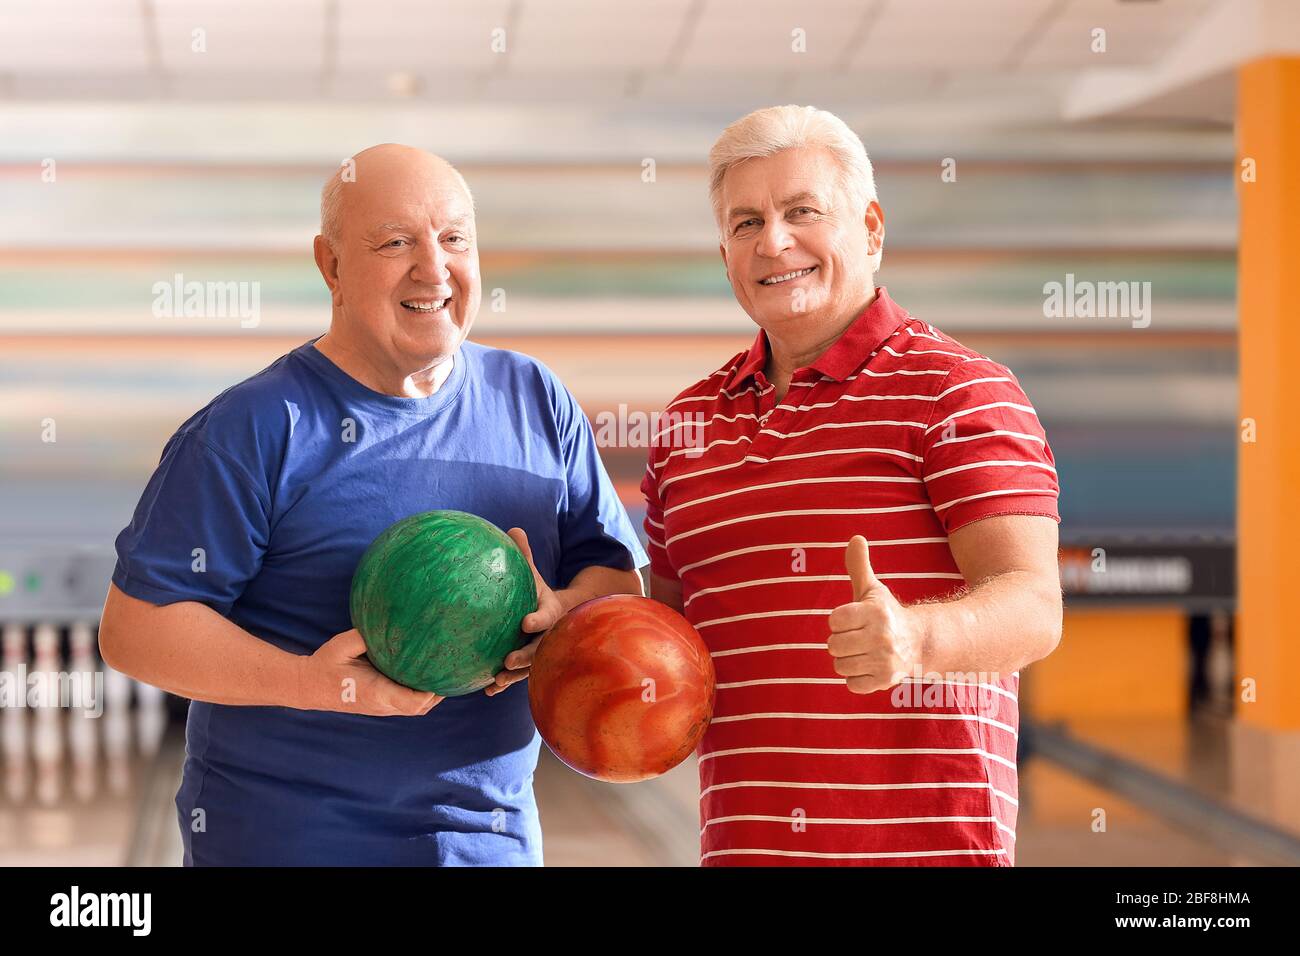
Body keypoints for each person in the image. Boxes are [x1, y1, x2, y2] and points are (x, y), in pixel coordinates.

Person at [99, 144, 646, 866]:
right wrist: (310, 683)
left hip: (488, 843)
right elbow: (135, 630)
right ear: (330, 265)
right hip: (286, 844)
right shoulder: (255, 427)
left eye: (454, 239)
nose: (433, 268)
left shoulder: (537, 400)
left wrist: (561, 615)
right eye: (395, 243)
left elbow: (615, 584)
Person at [641, 106, 1062, 866]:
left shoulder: (958, 391)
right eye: (746, 223)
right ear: (726, 251)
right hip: (743, 850)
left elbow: (1035, 605)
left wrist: (917, 638)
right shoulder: (686, 426)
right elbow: (663, 642)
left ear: (870, 227)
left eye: (803, 211)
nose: (774, 241)